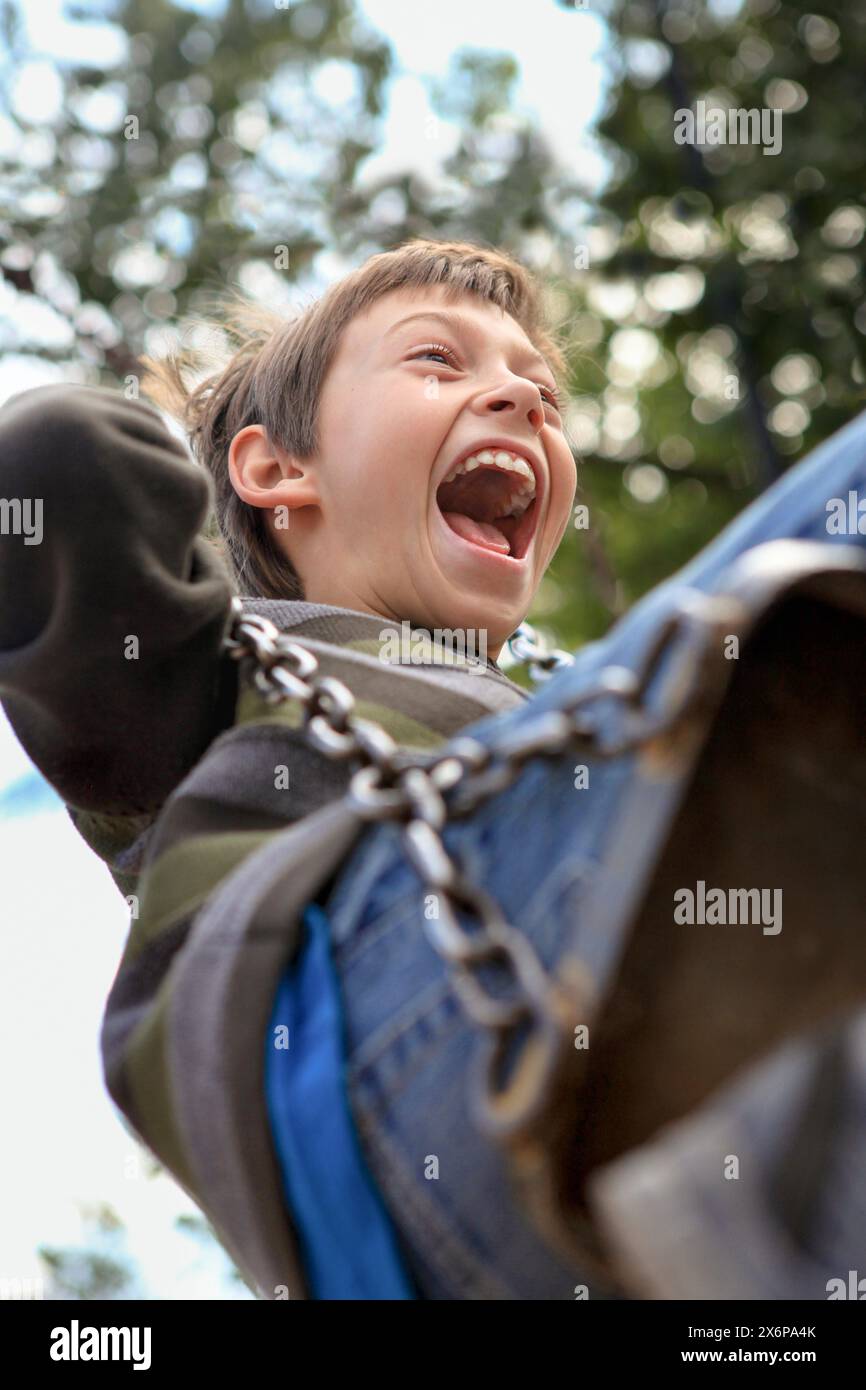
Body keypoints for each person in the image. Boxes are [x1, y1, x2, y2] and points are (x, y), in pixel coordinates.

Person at [1, 238, 863, 1300]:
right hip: (375, 1081)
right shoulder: (202, 684)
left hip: (641, 1089)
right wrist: (217, 579)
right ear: (276, 469)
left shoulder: (562, 713)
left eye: (539, 386)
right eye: (436, 363)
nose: (521, 396)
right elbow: (55, 461)